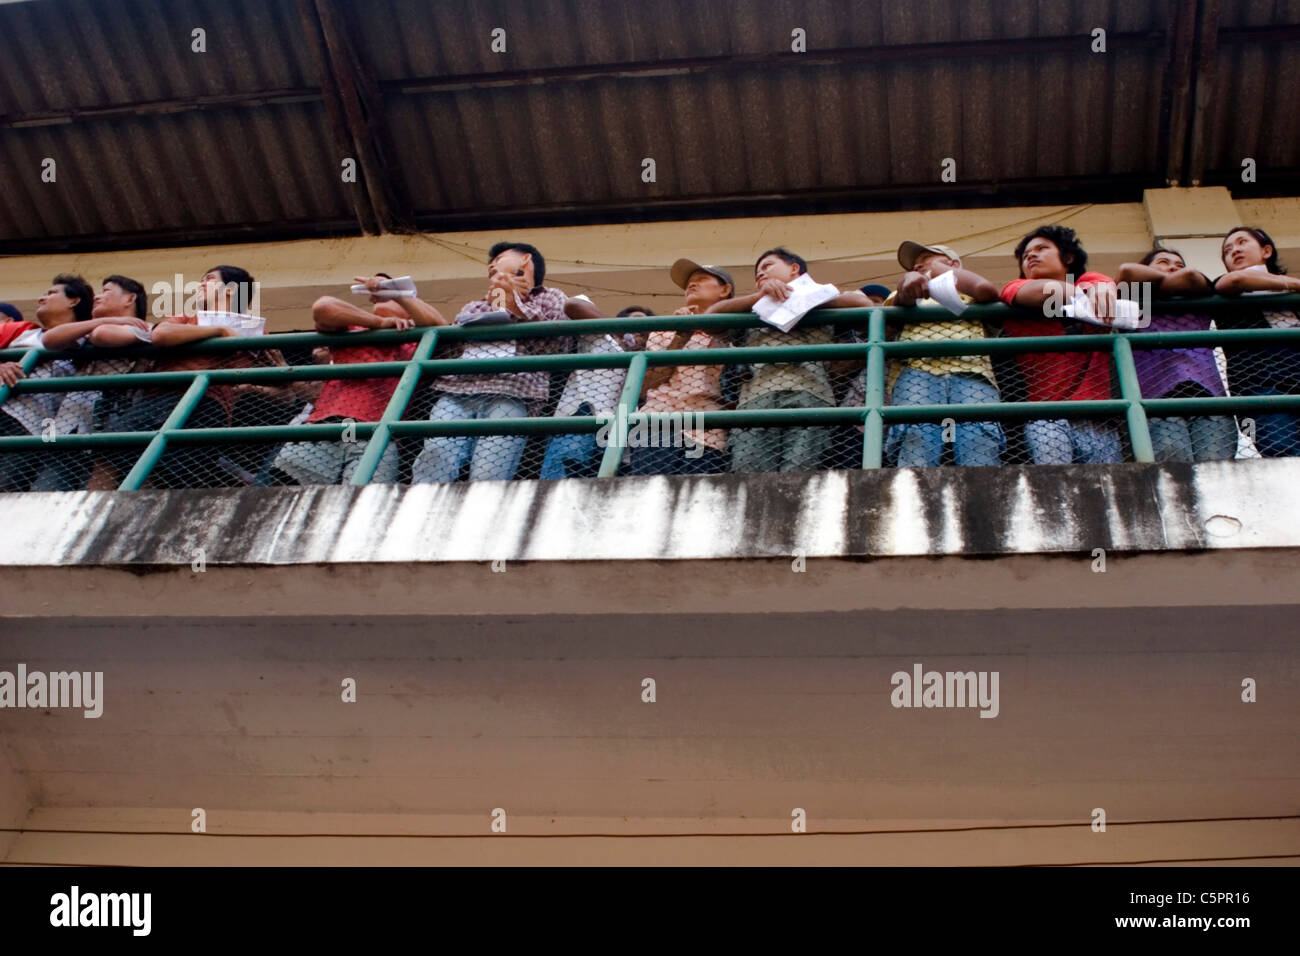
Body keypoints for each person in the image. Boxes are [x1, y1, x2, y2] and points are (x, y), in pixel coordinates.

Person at [98, 265, 272, 487]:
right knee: (111, 451)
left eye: (209, 279)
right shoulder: (187, 317)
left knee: (159, 472)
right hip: (160, 397)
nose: (200, 284)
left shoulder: (255, 331)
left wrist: (253, 388)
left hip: (209, 405)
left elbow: (285, 394)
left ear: (230, 289)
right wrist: (218, 331)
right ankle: (92, 515)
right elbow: (160, 335)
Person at [410, 242, 570, 483]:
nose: (492, 264)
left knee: (490, 474)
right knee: (435, 457)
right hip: (457, 391)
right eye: (490, 262)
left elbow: (557, 345)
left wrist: (512, 300)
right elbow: (453, 350)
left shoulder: (552, 297)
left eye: (500, 258)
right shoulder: (474, 305)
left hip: (513, 392)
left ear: (526, 261)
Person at [273, 273, 448, 485]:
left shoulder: (418, 345)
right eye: (377, 297)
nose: (380, 299)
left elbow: (439, 324)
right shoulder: (356, 331)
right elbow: (323, 307)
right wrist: (379, 322)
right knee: (293, 499)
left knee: (361, 507)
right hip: (329, 426)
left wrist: (397, 294)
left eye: (390, 296)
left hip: (375, 434)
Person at [706, 248, 868, 473]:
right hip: (754, 400)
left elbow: (863, 305)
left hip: (811, 395)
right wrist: (758, 298)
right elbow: (709, 319)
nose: (760, 274)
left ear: (794, 269)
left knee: (802, 470)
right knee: (748, 470)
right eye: (757, 274)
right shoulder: (751, 310)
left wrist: (803, 301)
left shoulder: (822, 297)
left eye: (767, 266)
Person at [1000, 225, 1123, 464]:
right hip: (1046, 416)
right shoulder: (1015, 288)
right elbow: (1042, 292)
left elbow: (1106, 284)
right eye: (1026, 255)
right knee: (1053, 488)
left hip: (1098, 418)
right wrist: (1087, 292)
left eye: (1041, 248)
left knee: (1106, 491)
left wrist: (1099, 287)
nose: (1032, 256)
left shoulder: (1092, 280)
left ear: (1068, 257)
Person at [883, 241, 1003, 467]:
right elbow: (892, 315)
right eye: (914, 265)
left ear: (954, 263)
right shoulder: (902, 292)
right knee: (916, 440)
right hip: (917, 373)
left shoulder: (969, 294)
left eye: (926, 259)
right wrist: (908, 282)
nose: (918, 266)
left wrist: (938, 271)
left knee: (979, 443)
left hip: (972, 373)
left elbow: (986, 290)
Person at [1115, 249, 1236, 462]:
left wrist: (1160, 280)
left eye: (1178, 264)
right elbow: (1127, 271)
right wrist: (1168, 282)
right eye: (1162, 262)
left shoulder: (1197, 303)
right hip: (1157, 400)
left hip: (1208, 400)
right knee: (1173, 471)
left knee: (1216, 472)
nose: (1173, 267)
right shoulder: (1133, 305)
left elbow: (1191, 277)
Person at [625, 259, 734, 476]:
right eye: (688, 283)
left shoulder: (736, 331)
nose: (691, 285)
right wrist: (680, 336)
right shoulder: (664, 329)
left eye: (702, 279)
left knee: (698, 500)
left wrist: (713, 330)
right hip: (657, 425)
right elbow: (645, 384)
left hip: (707, 430)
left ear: (725, 290)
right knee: (650, 497)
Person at [1213, 226, 1300, 458]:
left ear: (1267, 251)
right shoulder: (1226, 288)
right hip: (1259, 389)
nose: (1235, 251)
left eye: (1242, 242)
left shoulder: (1292, 297)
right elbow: (1236, 280)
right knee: (1282, 452)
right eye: (1227, 250)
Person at [539, 302, 646, 480]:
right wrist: (617, 330)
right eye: (634, 324)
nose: (637, 333)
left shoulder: (647, 359)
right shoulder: (601, 336)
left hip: (620, 433)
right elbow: (573, 304)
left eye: (643, 331)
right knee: (560, 481)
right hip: (581, 415)